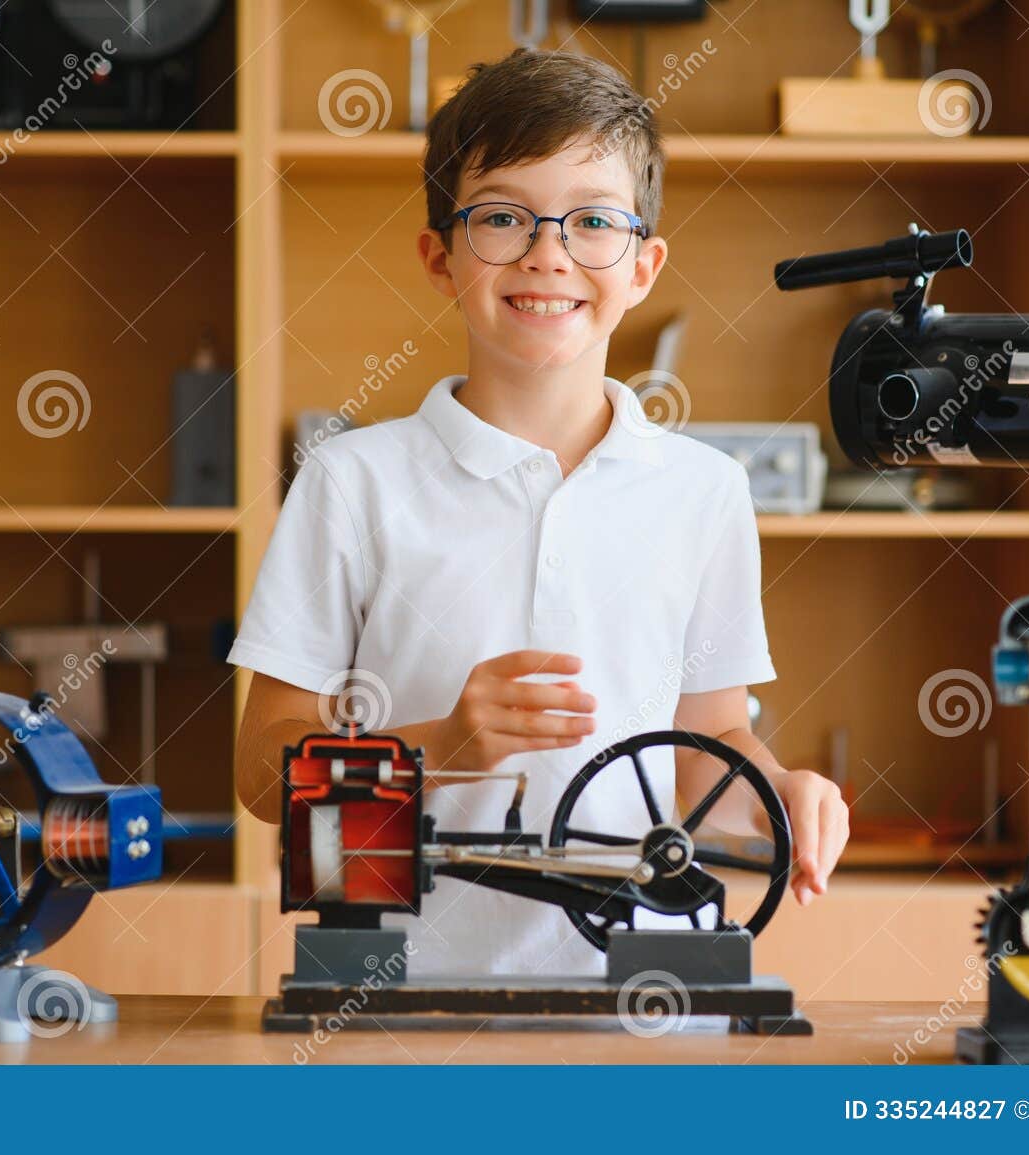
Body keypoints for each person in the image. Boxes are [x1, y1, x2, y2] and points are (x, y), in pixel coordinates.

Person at [232, 48, 848, 976]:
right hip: (396, 997)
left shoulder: (704, 490)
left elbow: (705, 750)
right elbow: (260, 776)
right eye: (504, 218)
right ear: (440, 257)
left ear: (643, 266)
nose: (548, 252)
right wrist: (442, 745)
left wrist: (777, 792)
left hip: (646, 996)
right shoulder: (352, 482)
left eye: (592, 220)